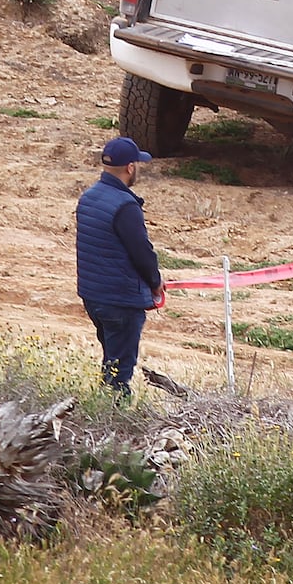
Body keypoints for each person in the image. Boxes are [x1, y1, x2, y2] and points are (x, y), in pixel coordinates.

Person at [75, 137, 165, 393]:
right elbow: (142, 253)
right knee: (119, 374)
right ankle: (114, 420)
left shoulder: (89, 197)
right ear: (130, 168)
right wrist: (156, 283)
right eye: (137, 163)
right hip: (121, 301)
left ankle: (103, 409)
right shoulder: (125, 206)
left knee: (111, 362)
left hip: (94, 297)